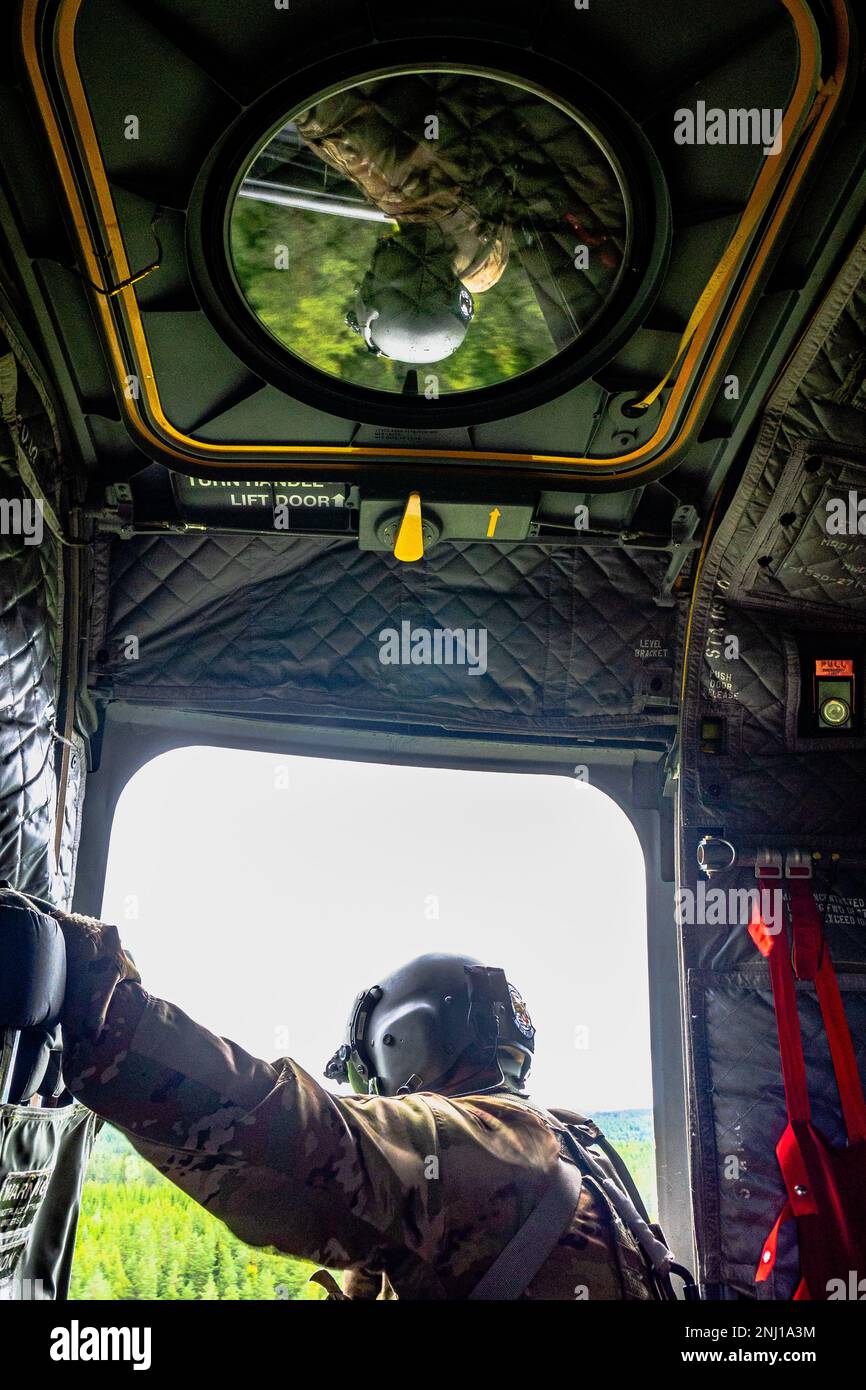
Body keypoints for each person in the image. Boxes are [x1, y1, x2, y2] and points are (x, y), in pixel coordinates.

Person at [51, 910, 675, 1300]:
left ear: (405, 1043)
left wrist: (94, 999)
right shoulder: (570, 1144)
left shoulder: (468, 1141)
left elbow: (274, 1126)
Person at [292, 71, 626, 365]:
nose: (367, 273)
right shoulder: (376, 168)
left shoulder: (488, 243)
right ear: (388, 281)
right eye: (371, 283)